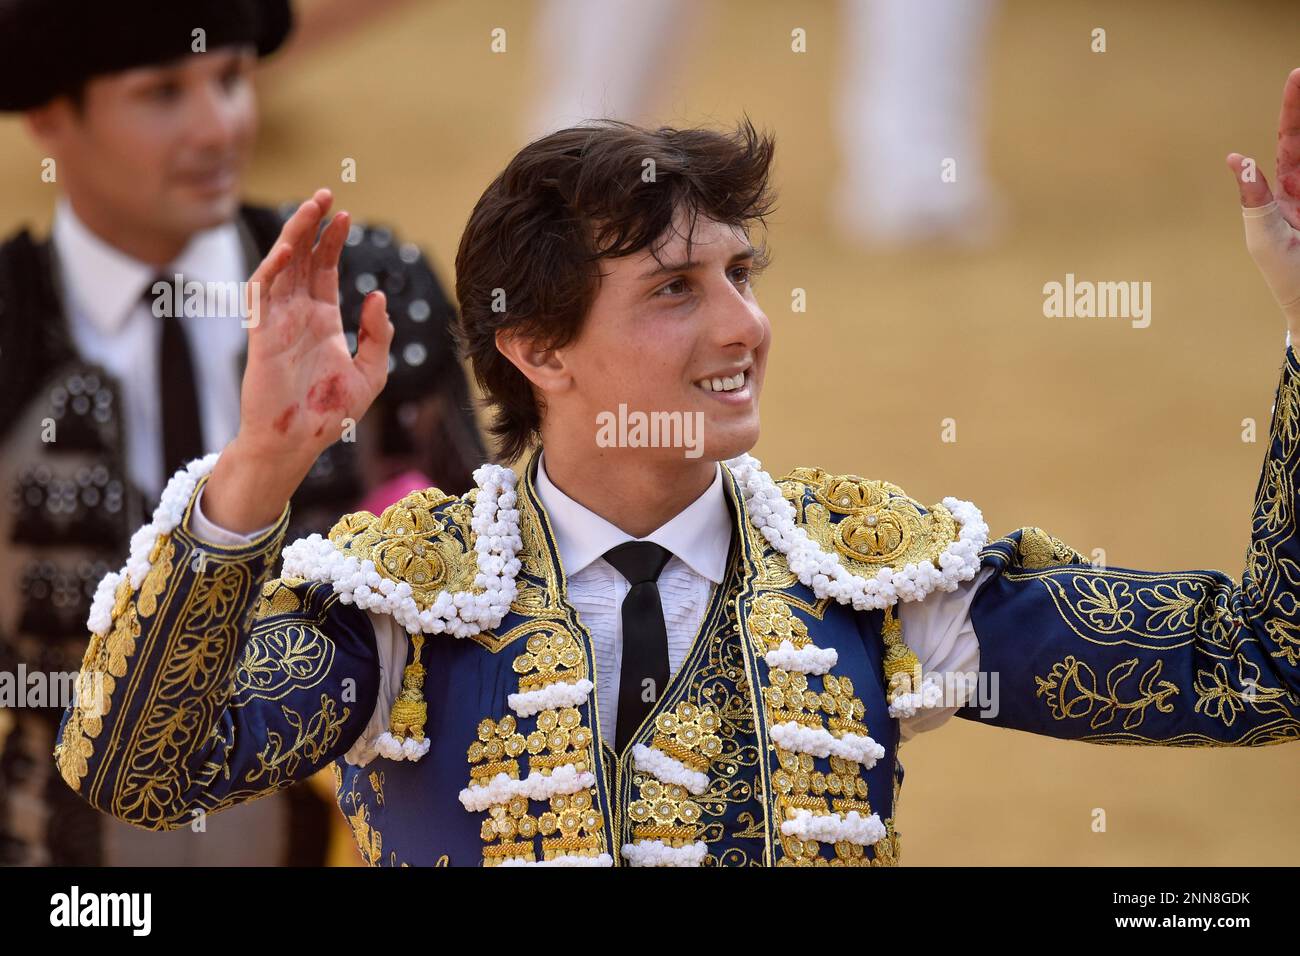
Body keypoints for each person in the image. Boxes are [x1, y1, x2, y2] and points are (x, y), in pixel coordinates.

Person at [56, 71, 1300, 865]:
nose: (741, 327)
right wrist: (262, 469)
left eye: (740, 275)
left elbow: (1261, 666)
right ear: (537, 346)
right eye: (671, 292)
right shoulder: (403, 598)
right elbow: (136, 770)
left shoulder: (873, 572)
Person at [0, 0, 485, 865]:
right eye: (162, 93)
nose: (217, 126)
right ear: (47, 114)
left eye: (230, 79)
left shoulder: (375, 296)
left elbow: (480, 621)